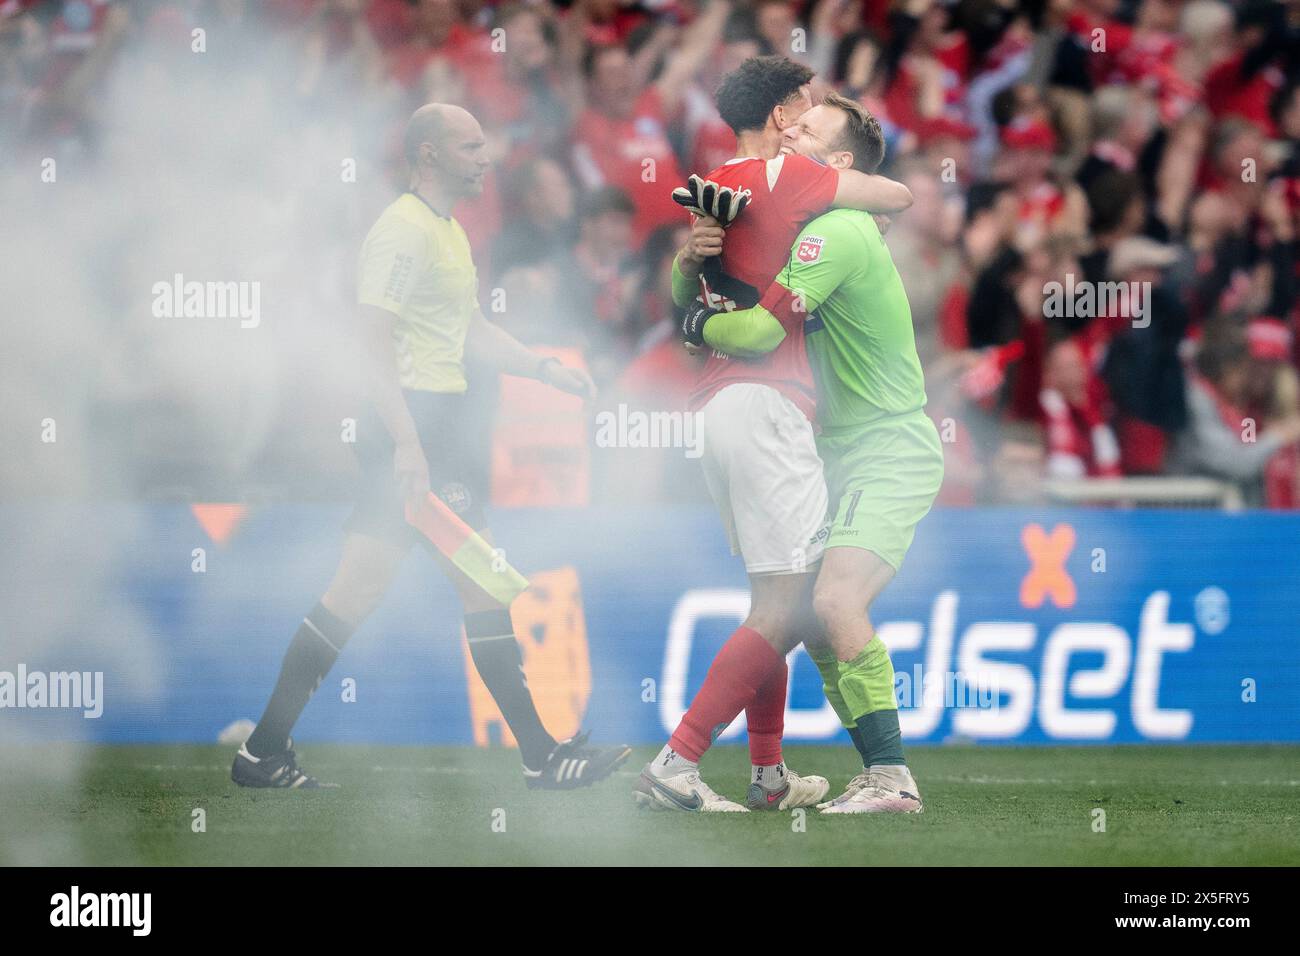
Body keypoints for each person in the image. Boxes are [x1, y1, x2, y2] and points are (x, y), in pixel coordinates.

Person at [232, 103, 630, 790]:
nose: (486, 155)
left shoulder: (446, 231)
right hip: (413, 429)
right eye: (470, 144)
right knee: (478, 584)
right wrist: (409, 445)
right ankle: (543, 756)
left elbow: (469, 328)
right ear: (427, 155)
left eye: (484, 142)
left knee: (359, 589)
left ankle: (262, 752)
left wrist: (543, 368)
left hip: (432, 429)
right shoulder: (401, 232)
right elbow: (370, 342)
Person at [635, 56, 914, 813]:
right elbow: (899, 190)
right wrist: (868, 199)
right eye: (804, 107)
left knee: (778, 596)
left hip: (716, 410)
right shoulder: (785, 181)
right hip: (766, 405)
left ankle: (767, 776)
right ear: (785, 114)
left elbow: (678, 299)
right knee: (781, 606)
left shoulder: (714, 193)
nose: (807, 116)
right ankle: (678, 762)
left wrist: (684, 288)